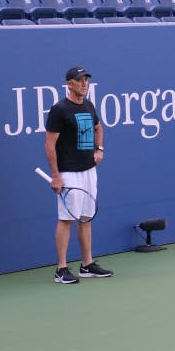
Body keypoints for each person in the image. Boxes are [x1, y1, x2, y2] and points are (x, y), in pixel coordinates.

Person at [45, 67, 113, 284]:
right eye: (79, 80)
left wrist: (99, 149)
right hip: (68, 173)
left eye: (86, 80)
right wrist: (55, 175)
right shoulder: (59, 110)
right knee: (66, 219)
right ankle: (61, 269)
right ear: (69, 84)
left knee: (86, 218)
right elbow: (49, 144)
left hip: (88, 171)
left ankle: (87, 264)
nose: (84, 83)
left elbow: (98, 128)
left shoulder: (89, 105)